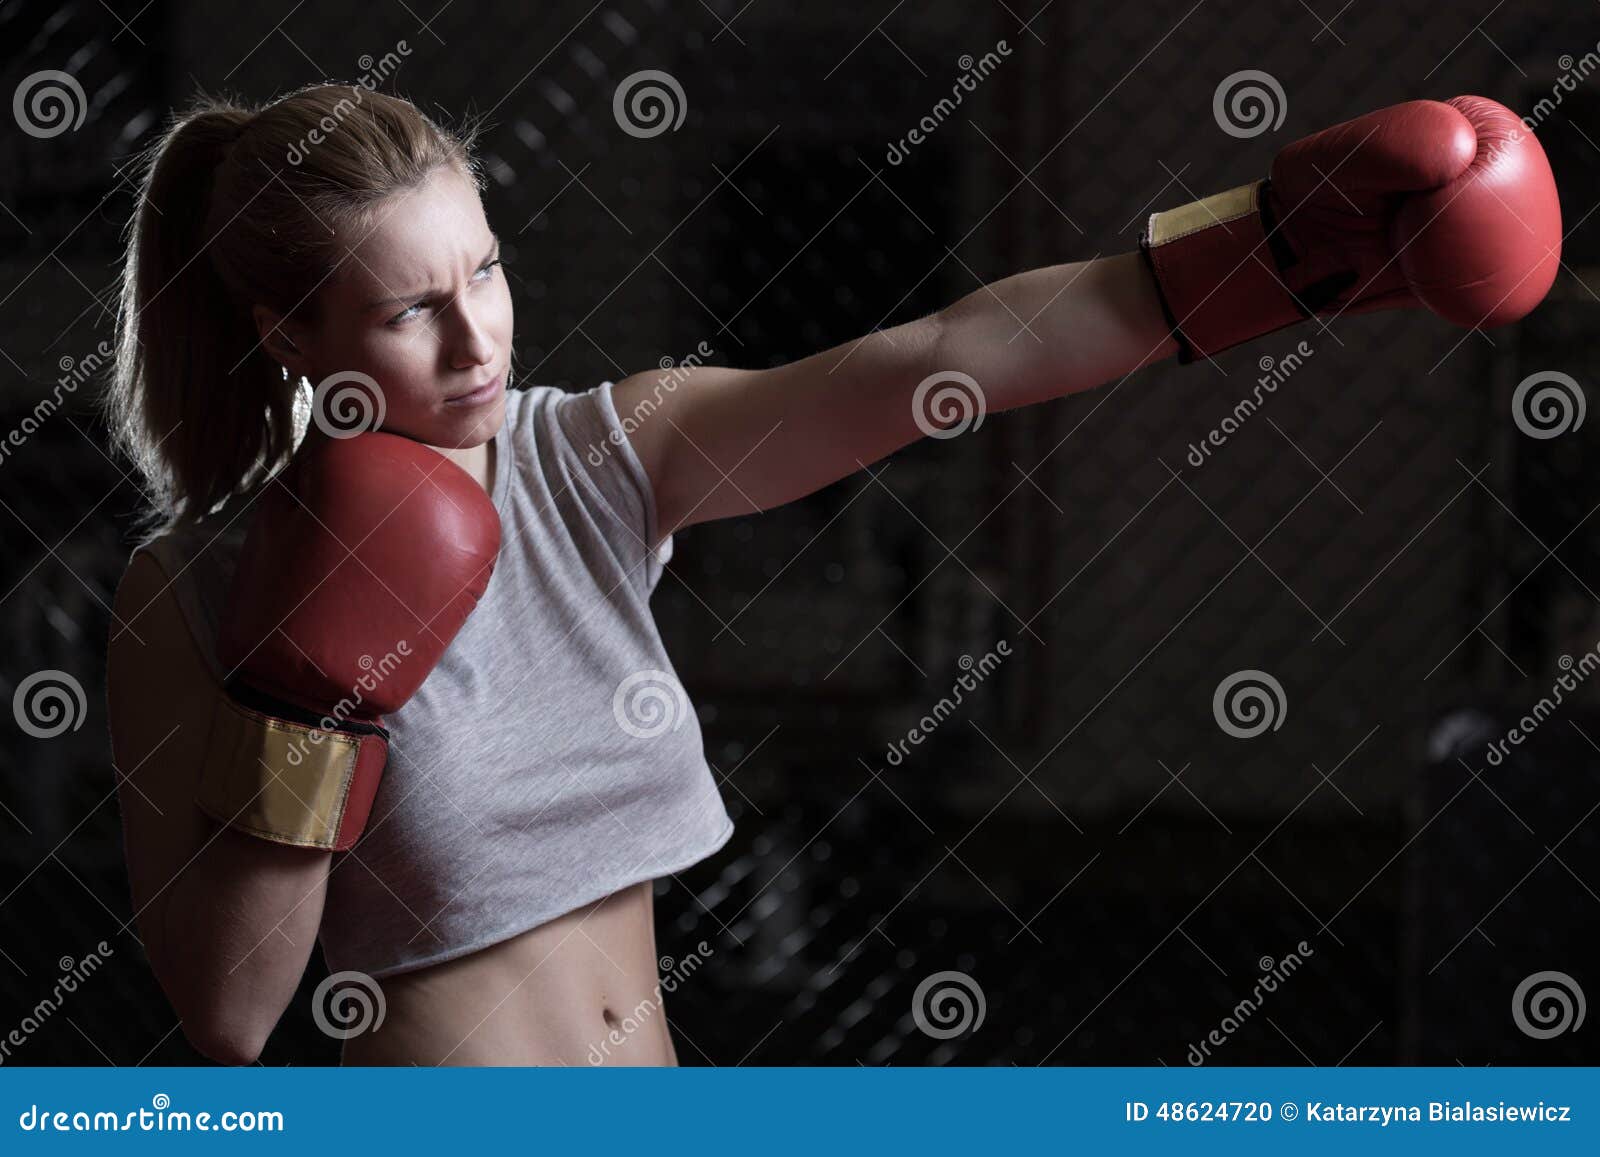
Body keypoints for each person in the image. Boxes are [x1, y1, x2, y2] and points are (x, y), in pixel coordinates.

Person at [102, 82, 1559, 1066]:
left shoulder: (599, 458)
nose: (480, 340)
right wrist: (315, 701)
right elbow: (231, 1011)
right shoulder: (192, 589)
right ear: (289, 335)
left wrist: (1274, 254)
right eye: (413, 310)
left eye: (484, 271)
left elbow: (944, 362)